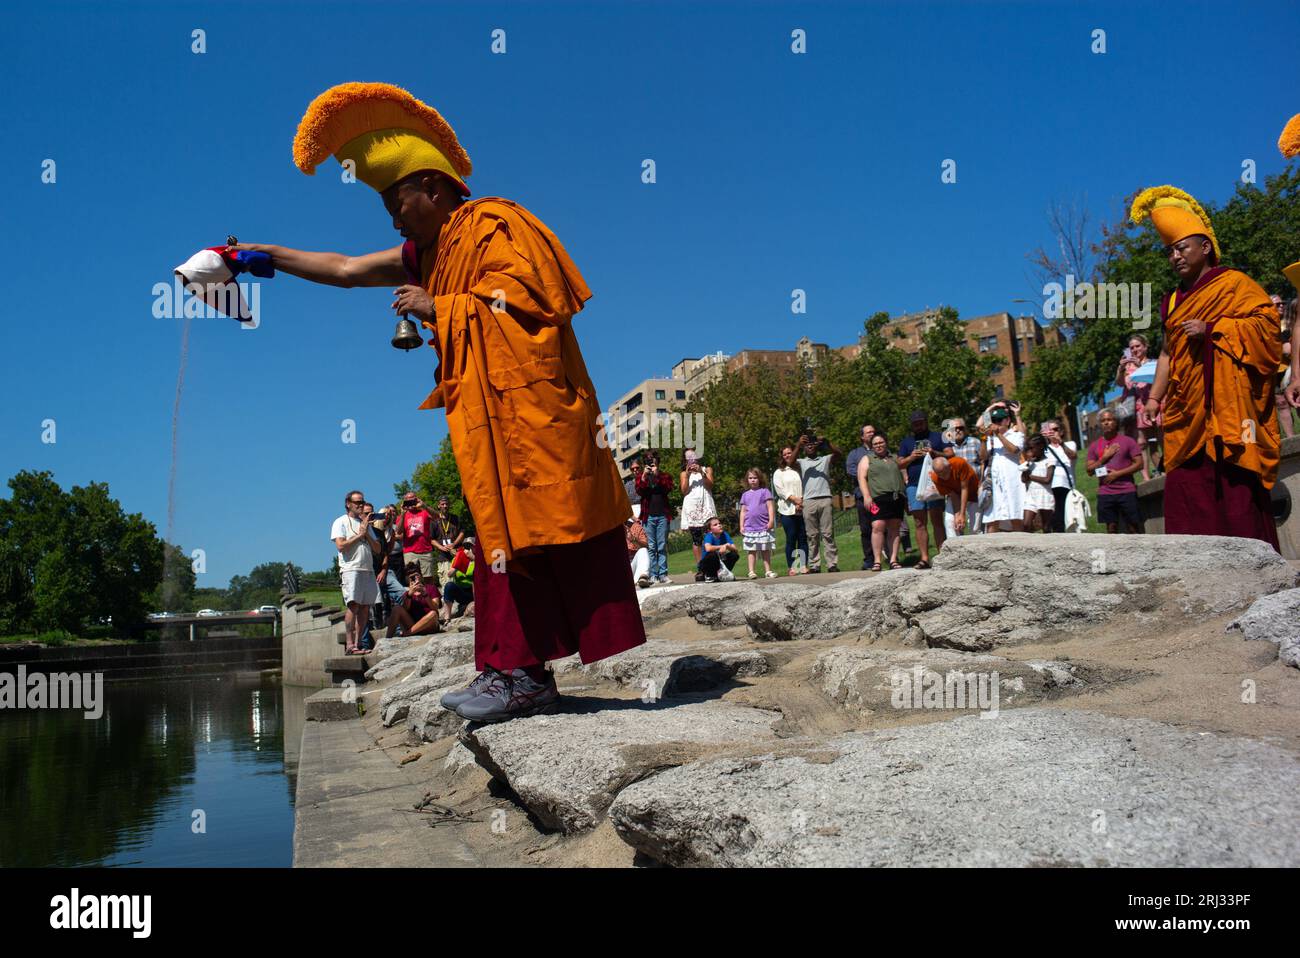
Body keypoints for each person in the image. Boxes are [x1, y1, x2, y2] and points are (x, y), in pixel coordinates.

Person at [241, 82, 645, 721]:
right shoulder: (428, 254)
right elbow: (345, 269)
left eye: (395, 202)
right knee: (498, 536)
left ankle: (518, 675)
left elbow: (533, 302)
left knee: (528, 536)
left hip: (536, 413)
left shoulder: (496, 224)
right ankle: (517, 674)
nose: (393, 219)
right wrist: (264, 256)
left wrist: (445, 307)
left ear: (431, 185)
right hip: (490, 422)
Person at [1132, 185, 1281, 549]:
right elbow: (1168, 353)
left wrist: (1214, 329)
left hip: (1230, 408)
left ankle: (1254, 564)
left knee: (1236, 486)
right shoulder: (1171, 301)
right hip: (1187, 408)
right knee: (1186, 486)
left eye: (1181, 247)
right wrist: (1154, 399)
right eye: (1169, 251)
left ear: (1205, 247)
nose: (1175, 257)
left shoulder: (1233, 283)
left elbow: (1268, 328)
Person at [896, 411, 953, 568]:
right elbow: (899, 463)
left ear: (926, 422)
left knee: (937, 520)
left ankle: (942, 557)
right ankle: (924, 558)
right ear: (912, 425)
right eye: (915, 423)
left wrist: (934, 452)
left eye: (921, 422)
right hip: (914, 485)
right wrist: (912, 457)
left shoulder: (938, 437)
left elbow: (950, 453)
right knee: (919, 522)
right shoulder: (907, 442)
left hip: (935, 483)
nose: (918, 425)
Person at [330, 490, 381, 655]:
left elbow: (378, 549)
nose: (361, 505)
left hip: (367, 568)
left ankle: (359, 643)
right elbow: (340, 545)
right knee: (353, 605)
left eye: (362, 502)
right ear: (348, 504)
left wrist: (366, 532)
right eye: (357, 502)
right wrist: (359, 535)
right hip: (351, 569)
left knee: (365, 608)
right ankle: (350, 644)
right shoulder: (341, 522)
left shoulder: (364, 523)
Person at [1085, 409, 1144, 534]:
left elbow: (1139, 464)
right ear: (1099, 424)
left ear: (1116, 422)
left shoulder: (1128, 441)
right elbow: (1089, 470)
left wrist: (1117, 474)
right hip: (1105, 493)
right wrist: (1104, 458)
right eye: (1103, 421)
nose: (1106, 423)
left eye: (1109, 420)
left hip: (1126, 490)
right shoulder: (1095, 445)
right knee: (1111, 529)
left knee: (1133, 528)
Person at [856, 432, 906, 570]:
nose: (878, 445)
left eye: (881, 442)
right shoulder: (867, 459)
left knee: (895, 528)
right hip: (876, 498)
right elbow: (861, 478)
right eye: (875, 444)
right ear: (872, 446)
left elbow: (903, 476)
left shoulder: (894, 458)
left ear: (886, 443)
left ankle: (893, 559)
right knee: (877, 526)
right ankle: (877, 561)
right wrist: (866, 496)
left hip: (896, 498)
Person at [1116, 334, 1160, 479]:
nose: (1135, 349)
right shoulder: (1128, 367)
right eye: (1132, 347)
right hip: (1137, 407)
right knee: (1141, 443)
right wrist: (1121, 368)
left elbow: (1157, 380)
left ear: (1145, 347)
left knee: (1160, 438)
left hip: (1153, 404)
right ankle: (1146, 478)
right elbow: (1120, 383)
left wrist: (1141, 366)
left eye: (1137, 346)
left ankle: (1165, 471)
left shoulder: (1154, 362)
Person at [797, 433, 842, 573]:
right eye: (807, 444)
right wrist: (798, 444)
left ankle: (832, 563)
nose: (810, 446)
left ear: (817, 446)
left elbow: (839, 455)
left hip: (825, 498)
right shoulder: (801, 462)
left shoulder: (825, 459)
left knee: (828, 533)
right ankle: (815, 564)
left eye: (812, 443)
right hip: (809, 501)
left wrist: (827, 443)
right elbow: (790, 462)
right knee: (812, 535)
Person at [981, 405, 1025, 532]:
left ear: (1007, 421)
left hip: (1012, 482)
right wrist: (984, 439)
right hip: (995, 482)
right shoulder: (991, 439)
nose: (996, 424)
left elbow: (1014, 450)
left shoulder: (1016, 435)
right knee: (992, 519)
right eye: (994, 421)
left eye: (999, 421)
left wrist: (998, 434)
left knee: (1015, 516)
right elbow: (983, 457)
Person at [635, 451, 674, 585]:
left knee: (662, 546)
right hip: (648, 516)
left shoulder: (665, 475)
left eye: (652, 459)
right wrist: (645, 475)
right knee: (651, 547)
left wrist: (657, 475)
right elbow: (639, 490)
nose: (650, 461)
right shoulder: (641, 476)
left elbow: (668, 488)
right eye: (647, 459)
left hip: (662, 515)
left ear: (657, 460)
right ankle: (653, 575)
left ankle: (663, 574)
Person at [679, 447, 716, 582]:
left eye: (693, 456)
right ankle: (701, 568)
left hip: (705, 505)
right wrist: (688, 476)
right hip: (692, 507)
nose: (692, 459)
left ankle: (712, 568)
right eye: (688, 457)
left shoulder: (707, 469)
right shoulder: (684, 473)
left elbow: (710, 485)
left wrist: (701, 472)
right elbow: (684, 491)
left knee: (710, 537)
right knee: (697, 539)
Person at [844, 424, 879, 569]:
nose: (871, 434)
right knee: (866, 529)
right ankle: (869, 560)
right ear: (862, 437)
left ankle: (891, 557)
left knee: (884, 527)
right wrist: (871, 473)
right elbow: (851, 470)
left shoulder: (881, 449)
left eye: (873, 431)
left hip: (881, 494)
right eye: (868, 432)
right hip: (862, 497)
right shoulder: (855, 454)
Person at [772, 445, 809, 575]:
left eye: (790, 453)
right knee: (791, 538)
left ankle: (803, 565)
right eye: (785, 454)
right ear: (782, 456)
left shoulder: (799, 470)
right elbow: (780, 490)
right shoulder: (778, 472)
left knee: (803, 538)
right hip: (787, 510)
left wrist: (801, 500)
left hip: (801, 508)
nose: (788, 455)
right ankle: (792, 566)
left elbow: (805, 486)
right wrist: (794, 500)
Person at [738, 467, 778, 579]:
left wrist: (771, 521)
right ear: (747, 480)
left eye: (755, 478)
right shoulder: (745, 495)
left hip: (764, 526)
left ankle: (768, 571)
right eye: (750, 478)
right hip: (750, 527)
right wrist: (741, 526)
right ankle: (751, 571)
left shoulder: (765, 491)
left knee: (765, 549)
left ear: (759, 479)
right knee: (752, 550)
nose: (753, 480)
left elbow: (770, 507)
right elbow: (743, 511)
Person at [930, 452, 979, 540]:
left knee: (975, 527)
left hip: (973, 493)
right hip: (955, 496)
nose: (942, 476)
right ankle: (955, 547)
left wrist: (962, 514)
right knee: (950, 522)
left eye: (944, 473)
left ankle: (977, 547)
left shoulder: (959, 463)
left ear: (949, 466)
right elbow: (953, 494)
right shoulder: (935, 477)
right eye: (939, 474)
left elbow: (964, 488)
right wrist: (957, 515)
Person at [1041, 420, 1078, 533]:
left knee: (1064, 520)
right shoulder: (1044, 449)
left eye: (1055, 429)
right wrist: (1041, 439)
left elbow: (1073, 456)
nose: (1053, 432)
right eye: (1049, 430)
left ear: (1061, 431)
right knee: (1051, 521)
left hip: (1065, 486)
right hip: (1049, 487)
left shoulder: (1070, 444)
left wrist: (1061, 443)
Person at [397, 492, 437, 584]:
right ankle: (415, 597)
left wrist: (425, 506)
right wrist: (403, 514)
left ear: (417, 499)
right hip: (410, 551)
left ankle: (429, 597)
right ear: (404, 502)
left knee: (428, 578)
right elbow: (399, 531)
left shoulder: (424, 511)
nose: (411, 503)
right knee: (412, 577)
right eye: (408, 501)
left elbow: (437, 517)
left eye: (412, 500)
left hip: (425, 550)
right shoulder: (403, 515)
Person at [389, 568, 442, 636]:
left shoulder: (431, 588)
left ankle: (407, 634)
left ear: (421, 576)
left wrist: (425, 594)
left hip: (430, 625)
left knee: (433, 614)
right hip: (413, 625)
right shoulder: (407, 593)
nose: (414, 578)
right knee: (396, 608)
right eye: (411, 577)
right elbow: (405, 609)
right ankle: (388, 637)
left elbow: (435, 607)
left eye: (416, 575)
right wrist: (409, 595)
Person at [1020, 435, 1057, 532]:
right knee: (1026, 525)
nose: (1030, 451)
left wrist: (1030, 477)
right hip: (1031, 495)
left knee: (1046, 526)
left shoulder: (1049, 461)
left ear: (1040, 446)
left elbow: (1047, 480)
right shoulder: (1031, 463)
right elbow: (1023, 479)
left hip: (1044, 495)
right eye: (1028, 449)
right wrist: (1026, 465)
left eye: (1032, 448)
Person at [1271, 294, 1296, 439]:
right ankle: (1291, 440)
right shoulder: (1264, 324)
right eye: (1277, 304)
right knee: (1281, 403)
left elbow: (1288, 350)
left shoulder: (1290, 321)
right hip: (1274, 370)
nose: (1281, 306)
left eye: (1282, 303)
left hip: (1291, 368)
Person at [430, 495, 464, 587]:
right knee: (446, 581)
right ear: (439, 506)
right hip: (443, 556)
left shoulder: (455, 518)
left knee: (460, 581)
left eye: (447, 504)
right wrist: (441, 547)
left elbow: (462, 533)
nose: (445, 506)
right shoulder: (434, 521)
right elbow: (432, 539)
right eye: (443, 504)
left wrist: (454, 544)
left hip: (456, 553)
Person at [440, 544, 475, 624]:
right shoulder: (457, 559)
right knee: (449, 585)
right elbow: (449, 574)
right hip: (461, 591)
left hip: (474, 591)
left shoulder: (477, 559)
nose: (466, 550)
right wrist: (459, 563)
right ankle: (447, 618)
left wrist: (473, 558)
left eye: (469, 548)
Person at [698, 517, 739, 582]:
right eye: (715, 525)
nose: (719, 525)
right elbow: (708, 548)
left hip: (720, 562)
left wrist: (727, 546)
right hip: (707, 564)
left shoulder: (725, 534)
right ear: (710, 530)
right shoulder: (709, 536)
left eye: (719, 523)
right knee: (713, 555)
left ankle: (723, 574)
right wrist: (722, 546)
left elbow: (735, 549)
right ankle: (710, 575)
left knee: (734, 555)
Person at [625, 515, 651, 588]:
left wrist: (633, 539)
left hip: (633, 565)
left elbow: (646, 546)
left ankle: (643, 578)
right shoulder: (609, 530)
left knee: (643, 550)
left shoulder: (635, 526)